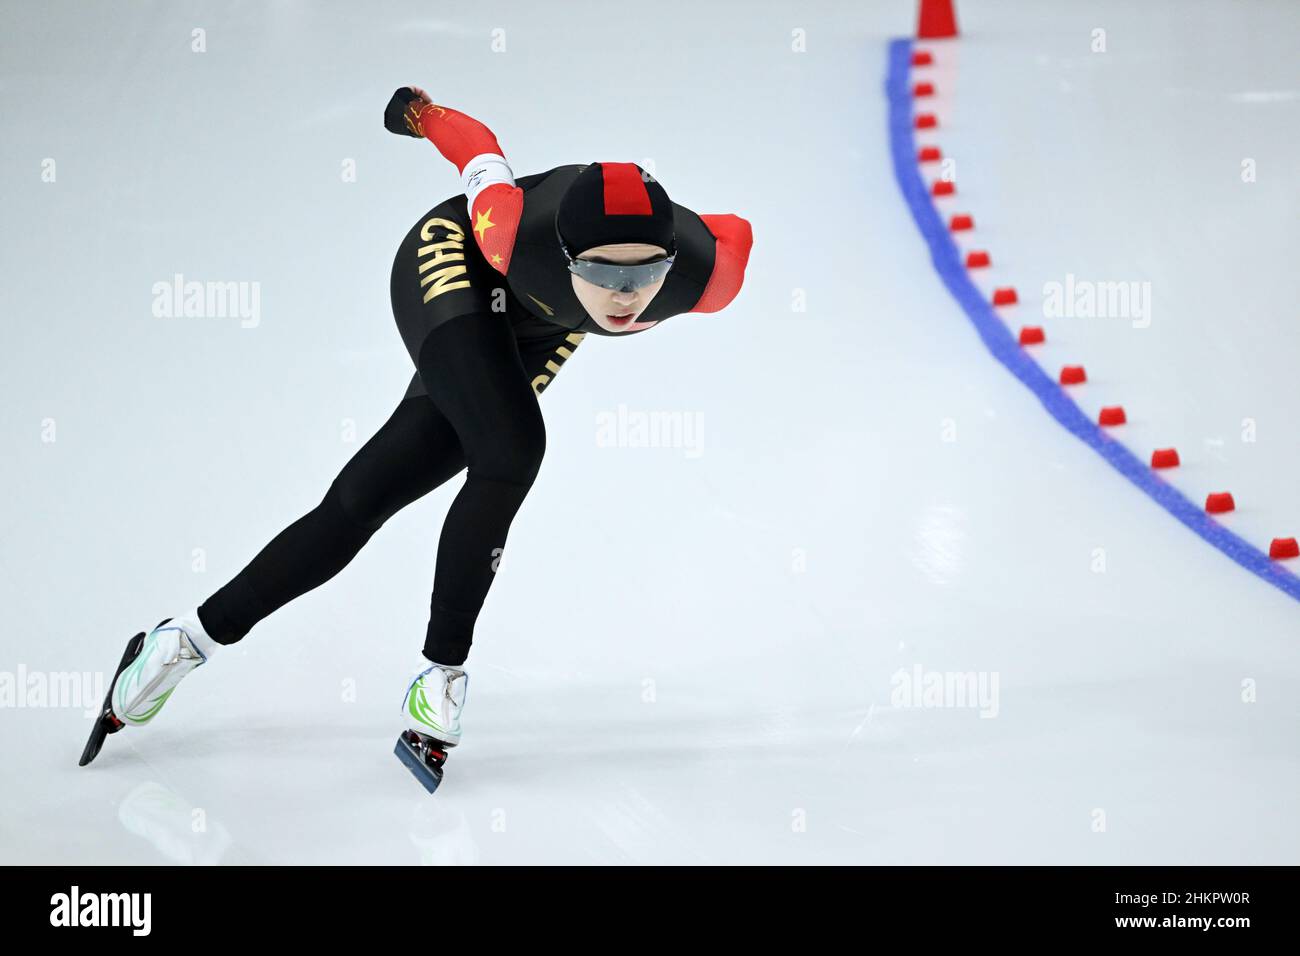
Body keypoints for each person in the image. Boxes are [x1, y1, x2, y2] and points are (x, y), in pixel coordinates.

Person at [81, 87, 753, 768]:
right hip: (457, 267)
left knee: (369, 496)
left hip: (540, 324)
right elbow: (480, 149)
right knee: (512, 449)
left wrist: (614, 281)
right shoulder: (507, 227)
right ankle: (440, 680)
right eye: (602, 270)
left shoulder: (707, 275)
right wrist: (421, 114)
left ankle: (183, 640)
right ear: (565, 252)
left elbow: (738, 231)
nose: (625, 294)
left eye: (647, 272)